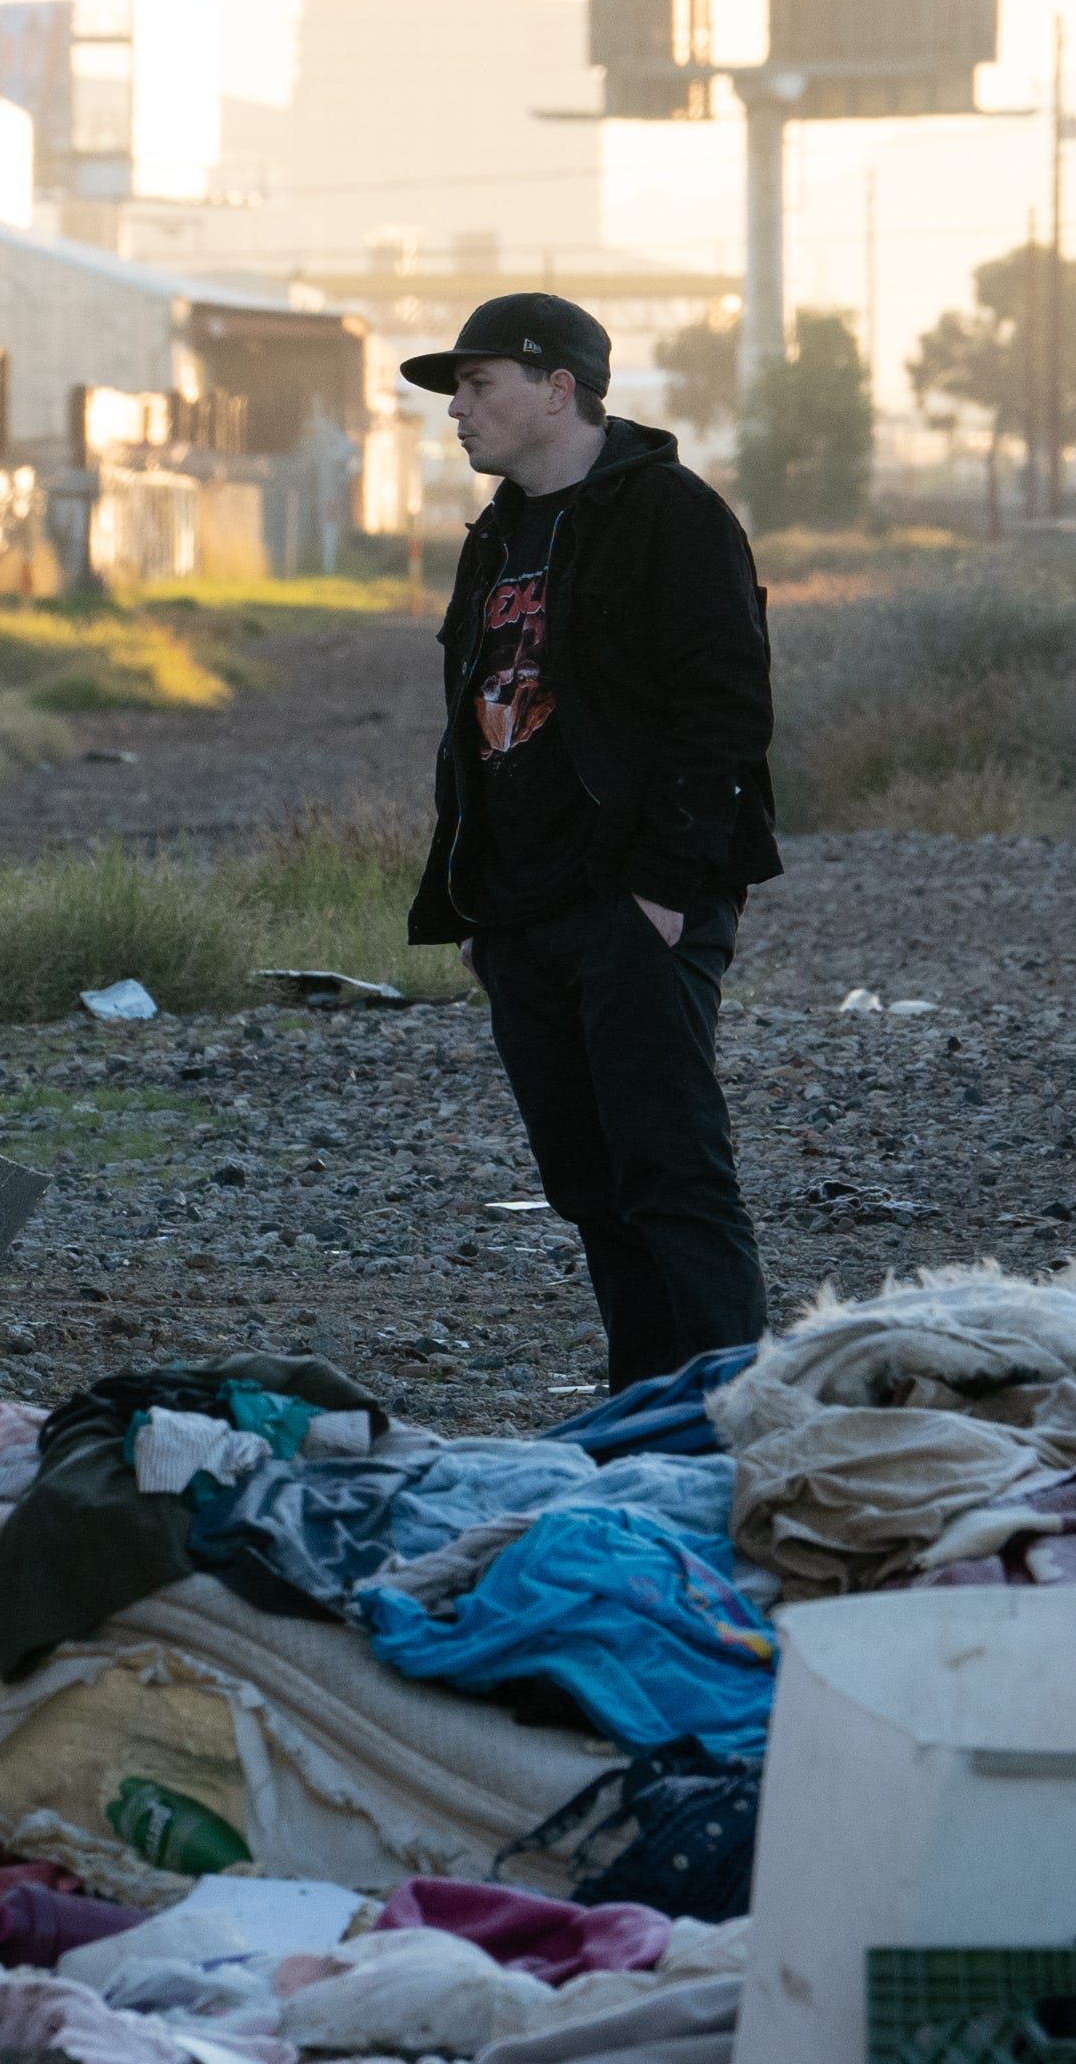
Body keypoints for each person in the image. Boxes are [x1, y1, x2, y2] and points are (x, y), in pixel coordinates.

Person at [400, 291, 780, 1385]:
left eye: (478, 385)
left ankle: (725, 1421)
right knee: (585, 1179)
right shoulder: (499, 536)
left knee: (671, 1170)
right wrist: (475, 910)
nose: (457, 412)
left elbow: (725, 710)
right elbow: (477, 726)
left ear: (558, 386)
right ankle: (645, 1408)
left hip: (637, 905)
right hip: (522, 913)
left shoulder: (670, 514)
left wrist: (663, 888)